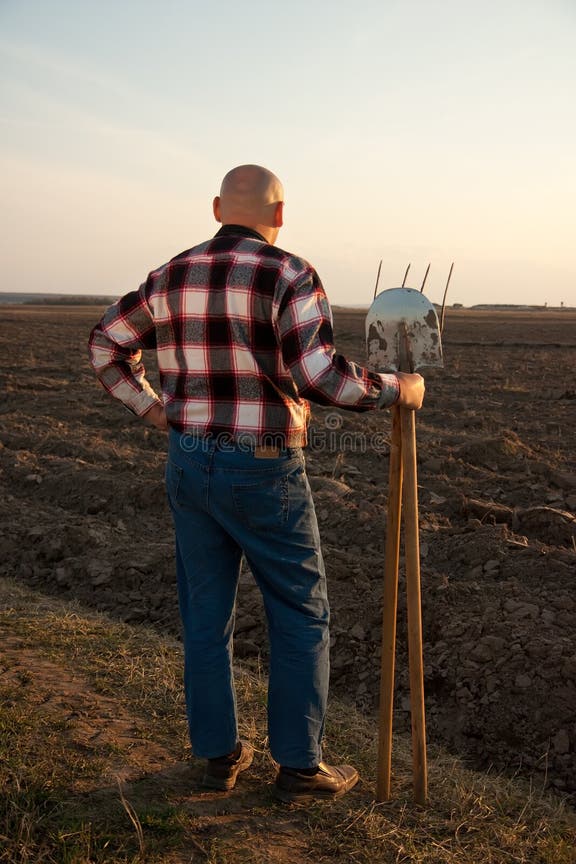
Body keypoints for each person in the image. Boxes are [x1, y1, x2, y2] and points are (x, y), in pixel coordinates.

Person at [89, 164, 424, 803]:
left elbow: (107, 343)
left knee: (204, 615)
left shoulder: (170, 274)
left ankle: (217, 757)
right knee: (300, 611)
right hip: (264, 465)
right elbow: (321, 374)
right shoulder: (289, 273)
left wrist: (155, 408)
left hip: (189, 460)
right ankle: (299, 767)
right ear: (279, 215)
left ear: (218, 208)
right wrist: (398, 389)